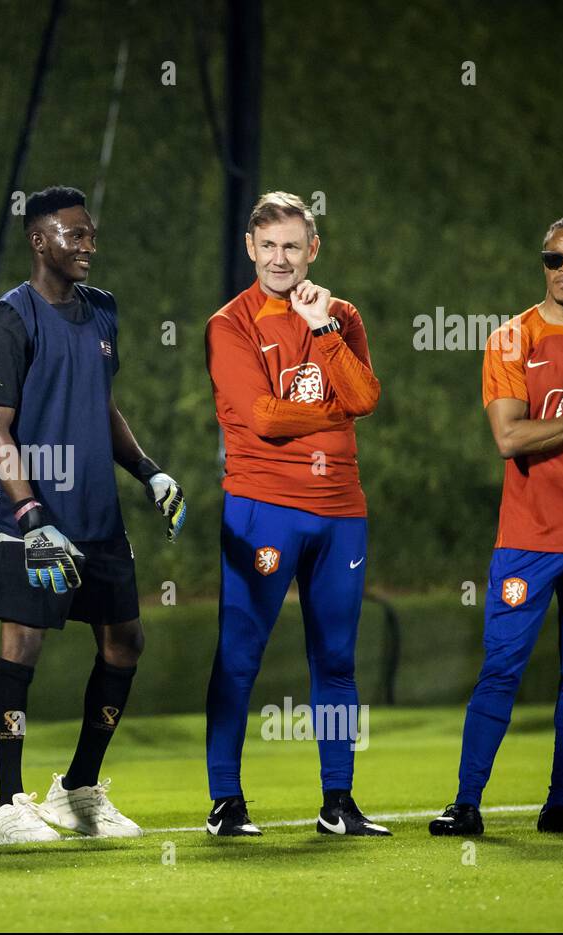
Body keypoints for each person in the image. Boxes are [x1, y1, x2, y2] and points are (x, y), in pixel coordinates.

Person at [0, 186, 186, 844]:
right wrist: (31, 514)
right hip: (33, 520)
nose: (88, 244)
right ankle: (9, 802)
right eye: (74, 234)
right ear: (40, 242)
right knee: (23, 647)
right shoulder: (9, 319)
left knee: (125, 642)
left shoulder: (103, 314)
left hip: (98, 518)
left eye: (91, 234)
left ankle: (78, 789)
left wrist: (149, 470)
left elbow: (103, 404)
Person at [430, 216, 563, 837]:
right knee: (501, 667)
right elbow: (510, 438)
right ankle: (466, 802)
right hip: (527, 537)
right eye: (554, 259)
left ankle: (560, 805)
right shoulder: (509, 340)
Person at [203, 191, 387, 838]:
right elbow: (263, 417)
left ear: (313, 250)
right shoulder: (230, 323)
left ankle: (338, 801)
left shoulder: (341, 315)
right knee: (240, 656)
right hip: (262, 509)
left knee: (337, 658)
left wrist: (323, 330)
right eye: (269, 246)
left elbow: (366, 393)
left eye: (293, 246)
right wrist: (335, 413)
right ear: (251, 248)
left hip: (341, 512)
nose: (280, 259)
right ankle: (226, 799)